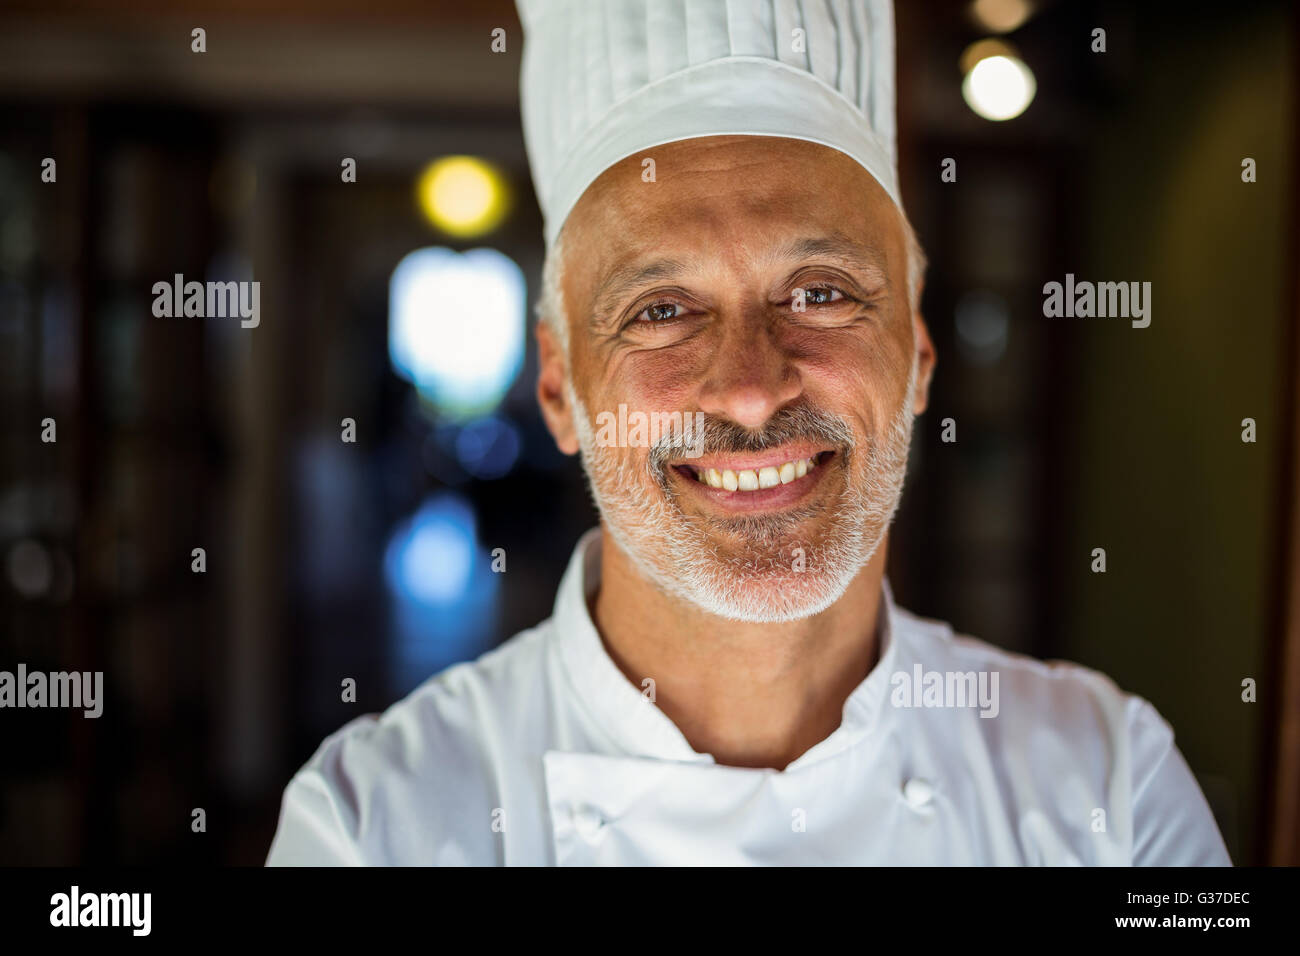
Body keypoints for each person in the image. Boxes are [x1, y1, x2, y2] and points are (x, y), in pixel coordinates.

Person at [266, 0, 1230, 866]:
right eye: (661, 310)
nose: (751, 392)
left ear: (920, 356)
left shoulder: (1110, 790)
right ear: (560, 388)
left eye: (821, 294)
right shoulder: (374, 827)